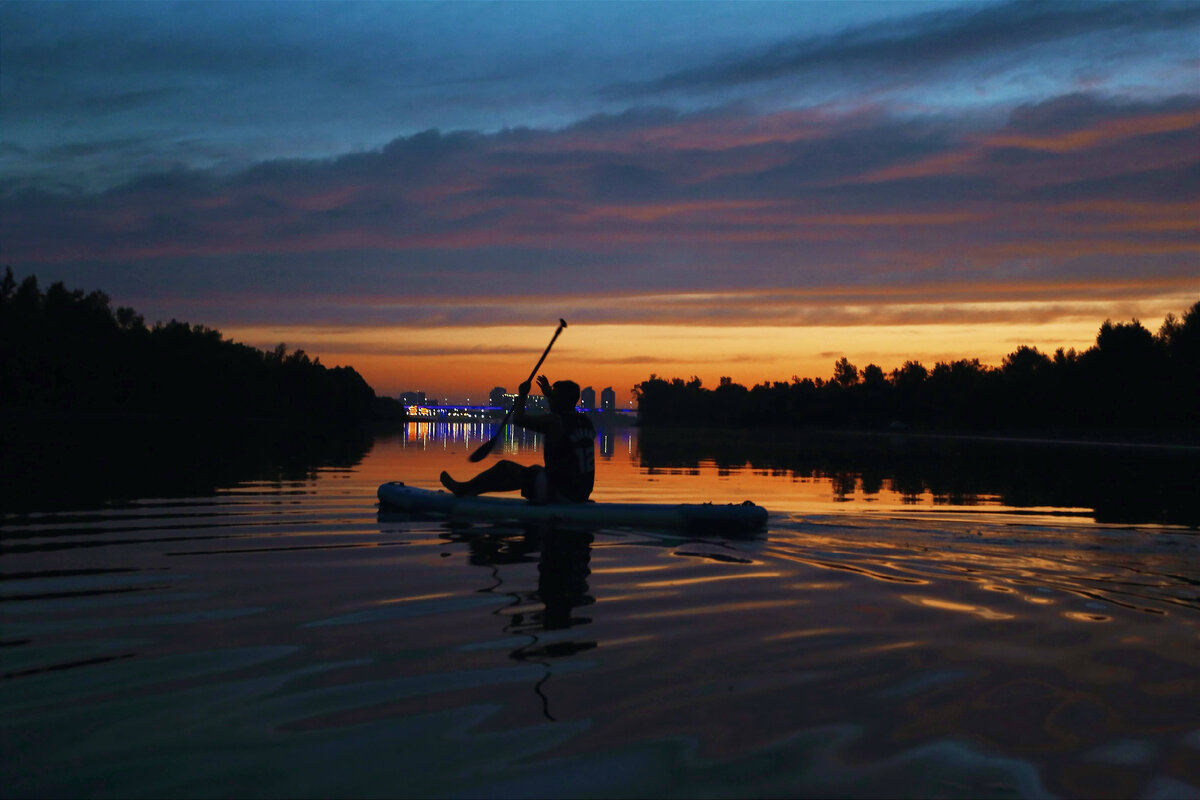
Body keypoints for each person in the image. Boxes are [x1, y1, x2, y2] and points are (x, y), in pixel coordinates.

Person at [440, 375, 596, 503]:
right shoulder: (586, 422)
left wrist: (522, 395)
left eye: (553, 397)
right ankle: (472, 490)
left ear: (560, 400)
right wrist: (550, 394)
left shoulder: (555, 421)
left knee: (505, 468)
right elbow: (565, 411)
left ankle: (464, 490)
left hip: (561, 493)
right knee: (535, 469)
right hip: (581, 492)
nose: (550, 400)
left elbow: (518, 419)